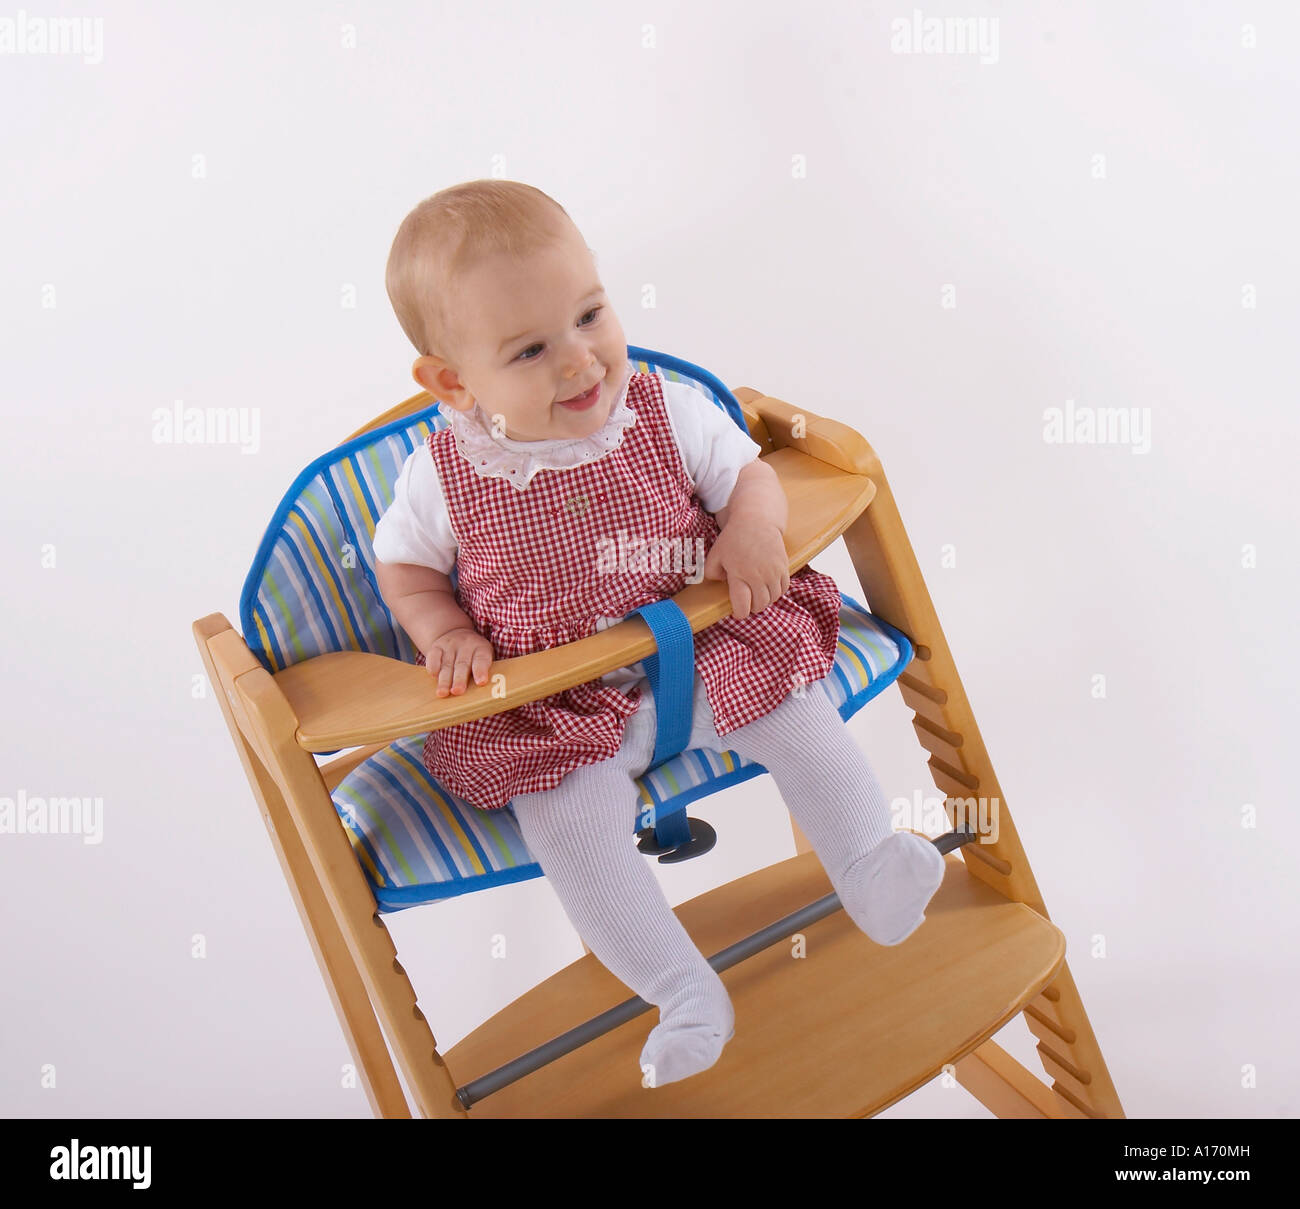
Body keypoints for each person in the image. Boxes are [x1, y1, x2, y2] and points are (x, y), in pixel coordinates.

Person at [373, 179, 944, 1089]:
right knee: (570, 829)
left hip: (705, 649)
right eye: (529, 349)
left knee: (799, 719)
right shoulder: (442, 473)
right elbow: (402, 568)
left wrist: (751, 528)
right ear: (452, 381)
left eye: (590, 315)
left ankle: (872, 864)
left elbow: (747, 474)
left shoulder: (662, 408)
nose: (578, 362)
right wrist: (442, 628)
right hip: (556, 709)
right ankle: (682, 990)